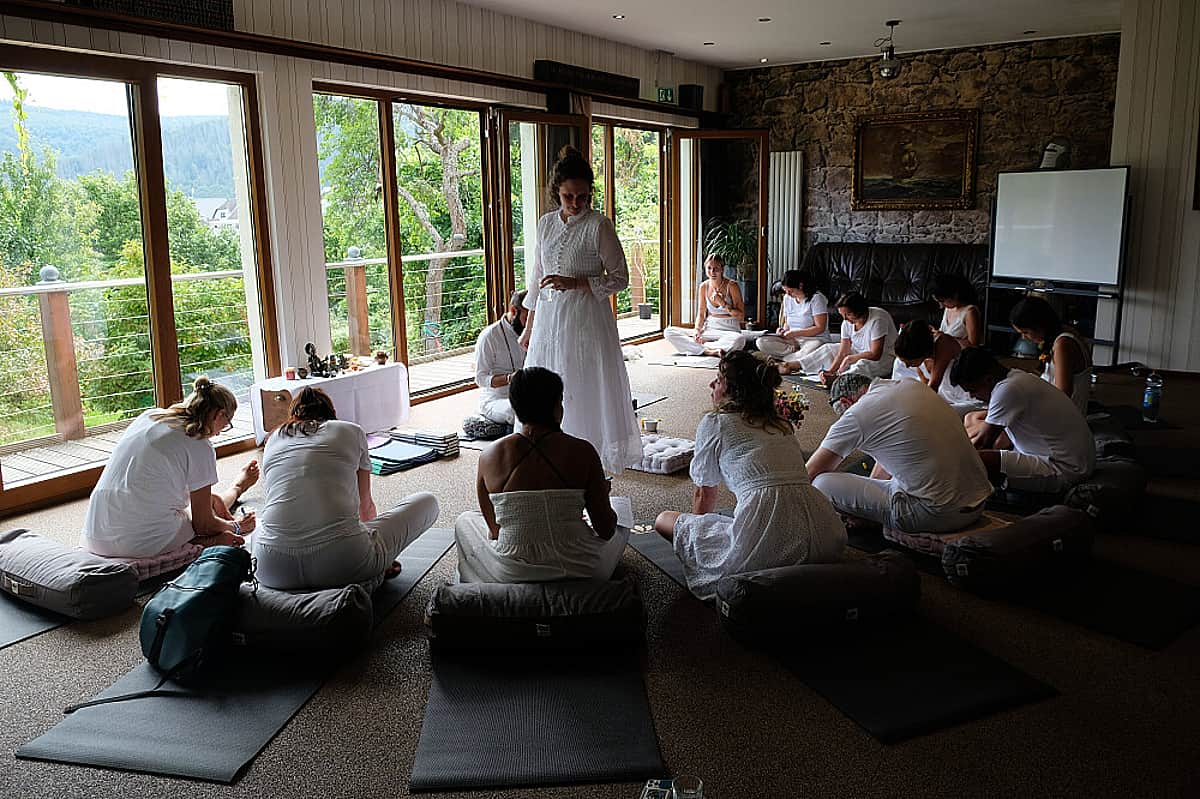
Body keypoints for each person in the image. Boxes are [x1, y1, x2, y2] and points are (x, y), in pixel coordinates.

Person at [654, 351, 846, 600]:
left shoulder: (716, 422)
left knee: (664, 520)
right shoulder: (780, 423)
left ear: (733, 390)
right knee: (735, 520)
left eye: (718, 380)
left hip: (767, 544)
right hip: (826, 533)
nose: (711, 385)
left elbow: (704, 493)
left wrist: (697, 536)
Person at [518, 145, 641, 476]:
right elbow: (537, 278)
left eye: (582, 197)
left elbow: (620, 278)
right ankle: (547, 452)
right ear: (556, 192)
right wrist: (529, 327)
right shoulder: (545, 224)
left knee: (581, 383)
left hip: (586, 317)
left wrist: (576, 283)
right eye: (568, 196)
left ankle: (584, 456)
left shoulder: (599, 225)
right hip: (549, 319)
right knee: (547, 381)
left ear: (590, 194)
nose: (575, 203)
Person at [252, 387, 439, 591]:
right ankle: (366, 580)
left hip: (271, 569)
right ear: (333, 413)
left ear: (293, 416)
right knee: (428, 502)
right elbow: (365, 507)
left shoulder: (274, 438)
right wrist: (379, 552)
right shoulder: (350, 430)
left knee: (260, 525)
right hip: (343, 563)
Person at [455, 367, 629, 583]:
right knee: (621, 511)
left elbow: (495, 532)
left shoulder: (488, 455)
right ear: (557, 407)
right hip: (583, 569)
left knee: (465, 521)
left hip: (513, 572)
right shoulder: (583, 451)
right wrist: (600, 494)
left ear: (515, 407)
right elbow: (605, 529)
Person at [81, 376, 258, 558]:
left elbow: (150, 481)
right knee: (204, 519)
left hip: (95, 535)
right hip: (133, 544)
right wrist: (237, 526)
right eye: (227, 424)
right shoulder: (199, 444)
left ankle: (236, 488)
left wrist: (209, 499)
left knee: (206, 505)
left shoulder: (149, 416)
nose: (220, 432)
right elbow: (203, 524)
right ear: (219, 414)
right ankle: (209, 535)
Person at [806, 373, 994, 534]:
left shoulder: (856, 415)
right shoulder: (910, 385)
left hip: (938, 514)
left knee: (821, 482)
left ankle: (881, 520)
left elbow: (811, 472)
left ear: (846, 402)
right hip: (978, 503)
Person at [949, 347, 1095, 493]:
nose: (972, 396)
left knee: (973, 461)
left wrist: (945, 459)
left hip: (1065, 469)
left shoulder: (1008, 389)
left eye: (973, 390)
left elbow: (982, 443)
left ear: (988, 379)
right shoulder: (1017, 378)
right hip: (1076, 462)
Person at [783, 292, 897, 382]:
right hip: (857, 352)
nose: (845, 319)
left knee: (861, 365)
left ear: (859, 310)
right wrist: (830, 371)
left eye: (848, 314)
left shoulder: (878, 318)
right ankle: (793, 365)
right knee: (829, 348)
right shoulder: (846, 322)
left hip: (882, 360)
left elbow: (875, 354)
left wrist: (849, 359)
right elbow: (843, 352)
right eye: (842, 315)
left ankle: (838, 380)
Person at [1010, 295, 1093, 415]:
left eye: (1026, 332)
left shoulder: (1063, 344)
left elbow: (1062, 395)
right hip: (1054, 410)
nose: (1024, 338)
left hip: (1062, 417)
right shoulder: (1061, 334)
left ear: (1039, 325)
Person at [891, 318, 984, 416]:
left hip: (969, 399)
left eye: (908, 362)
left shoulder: (944, 342)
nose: (907, 366)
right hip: (947, 399)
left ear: (919, 352)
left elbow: (934, 385)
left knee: (931, 414)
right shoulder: (920, 359)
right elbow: (925, 387)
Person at [663, 254, 747, 356]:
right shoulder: (703, 286)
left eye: (716, 268)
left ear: (722, 269)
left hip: (729, 331)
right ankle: (710, 351)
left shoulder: (732, 286)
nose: (712, 272)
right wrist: (697, 330)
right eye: (709, 268)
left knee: (739, 340)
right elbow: (701, 314)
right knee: (669, 331)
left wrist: (723, 303)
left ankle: (701, 347)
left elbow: (741, 316)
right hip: (710, 330)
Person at [473, 289, 529, 425]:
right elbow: (480, 379)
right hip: (496, 399)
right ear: (513, 311)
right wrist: (509, 378)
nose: (530, 325)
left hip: (526, 395)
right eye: (526, 319)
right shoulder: (489, 336)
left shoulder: (532, 331)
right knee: (518, 411)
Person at [757, 269, 832, 366]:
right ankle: (794, 358)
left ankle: (785, 359)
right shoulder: (787, 298)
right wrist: (782, 330)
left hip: (813, 339)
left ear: (800, 286)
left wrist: (795, 333)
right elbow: (787, 323)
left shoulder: (817, 298)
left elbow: (820, 328)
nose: (788, 294)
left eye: (790, 291)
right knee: (761, 342)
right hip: (792, 342)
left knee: (815, 347)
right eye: (785, 291)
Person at [931, 273, 983, 347]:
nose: (941, 306)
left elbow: (974, 345)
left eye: (942, 301)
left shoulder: (970, 312)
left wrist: (945, 338)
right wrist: (935, 333)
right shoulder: (949, 308)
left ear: (955, 295)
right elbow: (944, 335)